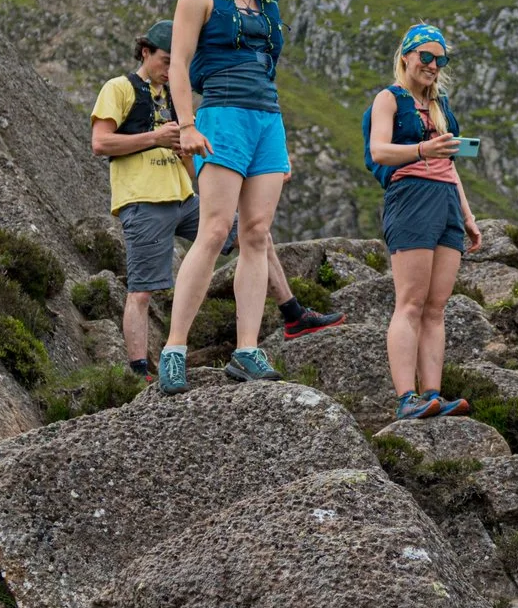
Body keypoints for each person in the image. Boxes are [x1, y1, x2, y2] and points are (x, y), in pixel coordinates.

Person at [89, 19, 340, 376]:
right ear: (145, 52)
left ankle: (293, 312)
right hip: (143, 199)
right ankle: (139, 369)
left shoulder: (177, 96)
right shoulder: (120, 88)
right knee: (143, 290)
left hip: (185, 197)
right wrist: (155, 138)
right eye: (165, 60)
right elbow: (100, 143)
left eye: (178, 63)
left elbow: (191, 153)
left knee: (254, 233)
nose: (171, 69)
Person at [157, 0, 302, 394]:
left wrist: (279, 145)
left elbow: (270, 73)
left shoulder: (267, 6)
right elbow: (178, 64)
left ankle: (246, 350)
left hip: (267, 119)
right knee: (216, 229)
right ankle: (174, 348)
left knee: (256, 234)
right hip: (221, 115)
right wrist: (186, 125)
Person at [365, 23, 483, 419]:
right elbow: (379, 150)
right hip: (411, 196)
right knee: (411, 302)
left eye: (440, 59)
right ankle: (406, 398)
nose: (432, 65)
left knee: (436, 306)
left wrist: (467, 215)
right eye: (426, 57)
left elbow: (450, 165)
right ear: (407, 57)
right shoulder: (390, 98)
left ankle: (433, 393)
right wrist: (422, 148)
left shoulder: (441, 106)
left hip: (446, 201)